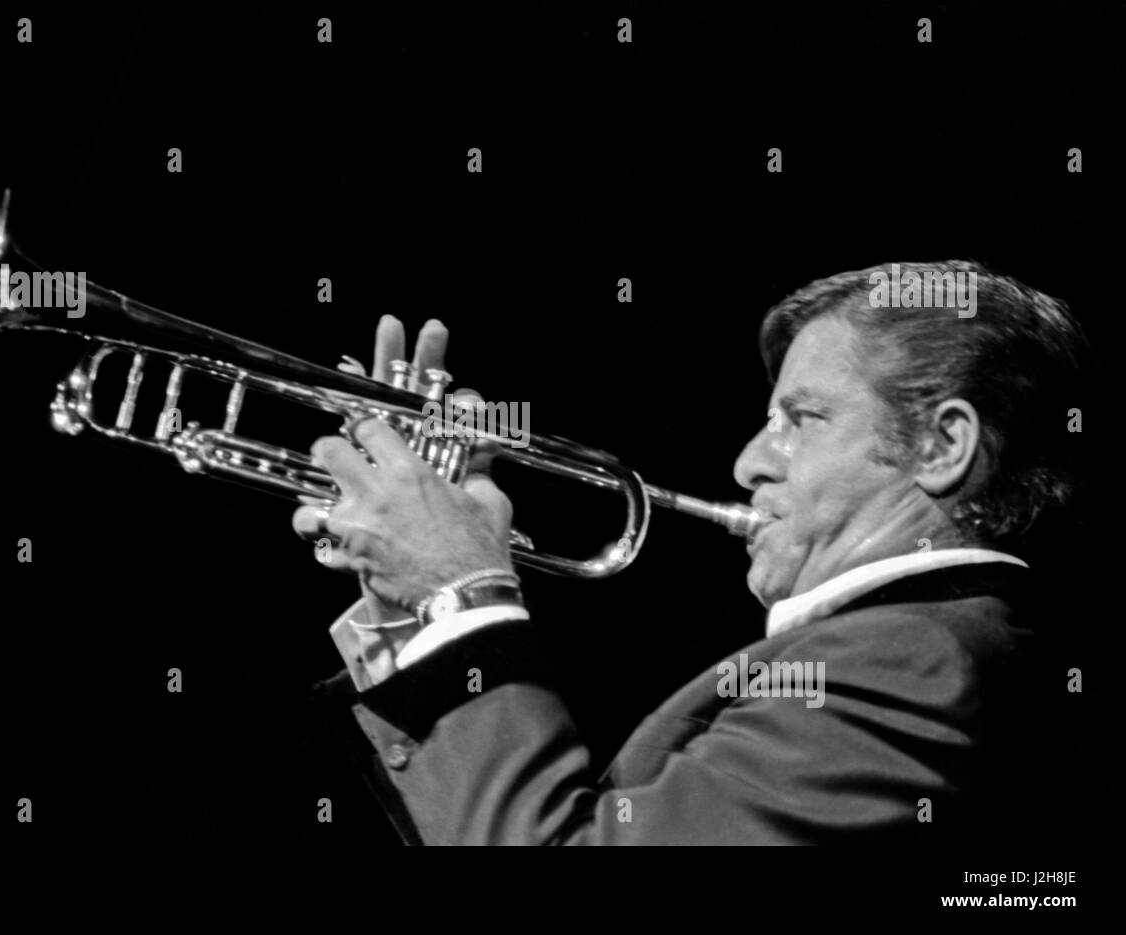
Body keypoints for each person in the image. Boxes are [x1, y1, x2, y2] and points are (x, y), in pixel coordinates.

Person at [295, 260, 1087, 844]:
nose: (749, 462)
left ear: (943, 445)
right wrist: (410, 593)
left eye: (800, 418)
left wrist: (458, 592)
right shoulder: (906, 650)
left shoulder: (910, 662)